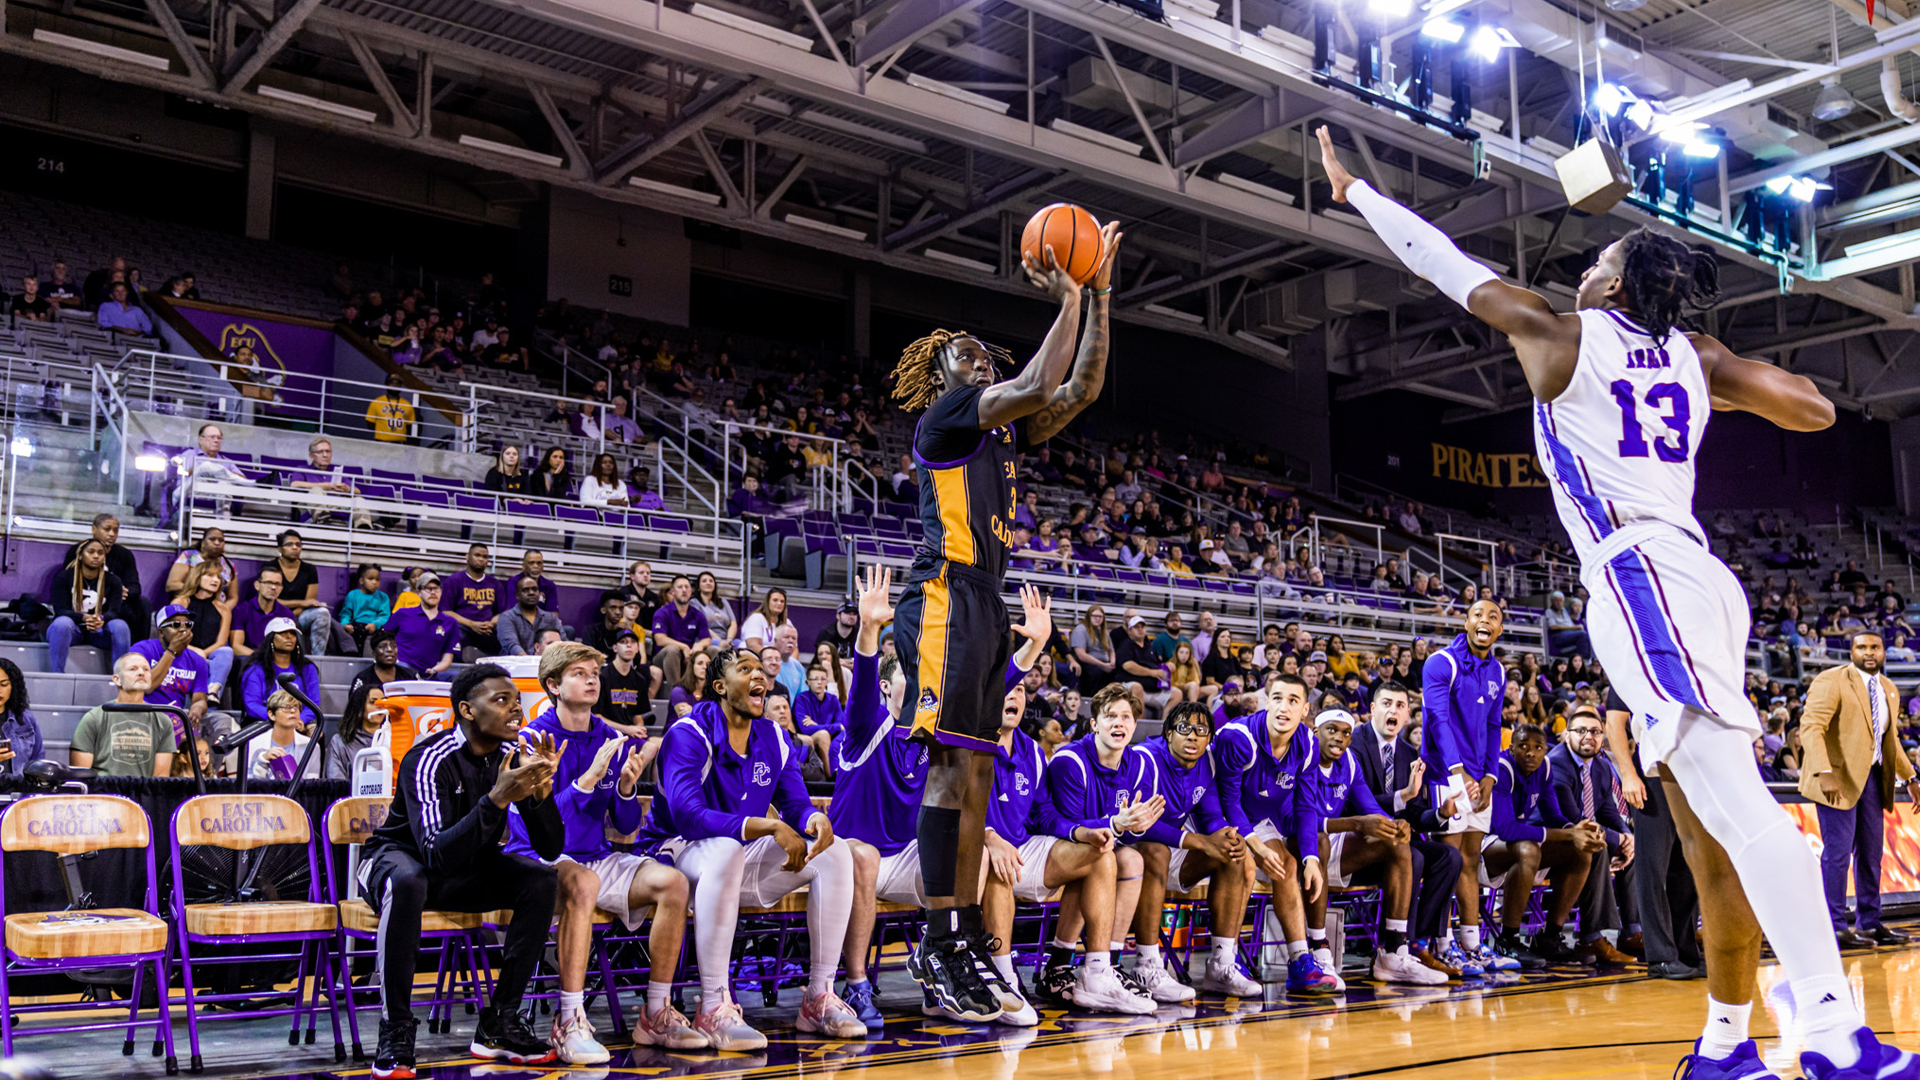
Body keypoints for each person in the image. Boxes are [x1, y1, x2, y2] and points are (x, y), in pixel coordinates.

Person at [1321, 123, 1904, 1077]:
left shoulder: (1562, 335)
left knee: (1746, 812)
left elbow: (1446, 266)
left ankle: (1834, 1026)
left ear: (1616, 289)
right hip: (1699, 580)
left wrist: (1356, 194)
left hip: (1641, 579)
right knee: (1706, 831)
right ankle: (1726, 1041)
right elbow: (1815, 408)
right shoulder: (1695, 359)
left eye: (1600, 262)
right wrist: (1706, 354)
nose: (1586, 269)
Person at [886, 223, 1122, 1021]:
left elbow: (1078, 386)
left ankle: (960, 943)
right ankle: (938, 938)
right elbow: (1033, 380)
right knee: (951, 770)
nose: (978, 359)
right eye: (966, 355)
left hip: (988, 597)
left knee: (980, 775)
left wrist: (1101, 295)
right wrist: (1068, 295)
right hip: (946, 594)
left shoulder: (1005, 433)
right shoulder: (947, 420)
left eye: (984, 354)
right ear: (943, 377)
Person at [633, 649, 865, 1047]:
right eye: (746, 670)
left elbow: (795, 802)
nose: (759, 676)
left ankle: (819, 996)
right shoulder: (687, 733)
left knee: (835, 851)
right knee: (726, 849)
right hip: (675, 853)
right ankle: (713, 1006)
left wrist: (813, 819)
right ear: (720, 687)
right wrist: (770, 825)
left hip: (735, 858)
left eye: (762, 670)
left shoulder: (774, 735)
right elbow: (689, 816)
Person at [360, 665, 565, 1078]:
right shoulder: (428, 757)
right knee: (408, 881)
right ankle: (396, 1029)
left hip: (460, 870)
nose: (516, 711)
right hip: (397, 859)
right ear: (467, 711)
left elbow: (550, 847)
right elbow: (433, 853)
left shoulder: (512, 757)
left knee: (541, 880)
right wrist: (496, 799)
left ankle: (500, 1023)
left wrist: (541, 793)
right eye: (502, 700)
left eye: (517, 702)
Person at [505, 643, 688, 1061]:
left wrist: (626, 789)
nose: (591, 679)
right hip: (538, 859)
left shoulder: (610, 737)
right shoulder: (532, 738)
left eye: (594, 673)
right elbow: (531, 827)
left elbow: (624, 826)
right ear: (553, 685)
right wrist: (585, 781)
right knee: (583, 882)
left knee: (673, 883)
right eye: (579, 673)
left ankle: (655, 1012)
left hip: (595, 855)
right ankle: (568, 1020)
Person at [1118, 701, 1269, 996]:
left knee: (1230, 851)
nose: (1192, 736)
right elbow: (1140, 825)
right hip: (1129, 850)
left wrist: (1225, 836)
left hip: (1176, 847)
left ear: (1209, 738)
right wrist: (1201, 841)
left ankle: (1221, 965)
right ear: (1168, 733)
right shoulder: (1144, 759)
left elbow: (1210, 814)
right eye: (1184, 728)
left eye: (1201, 730)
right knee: (1155, 850)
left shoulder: (1208, 763)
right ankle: (1147, 965)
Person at [1212, 671, 1341, 992]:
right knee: (1244, 859)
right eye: (1278, 699)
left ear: (1305, 710)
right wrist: (1256, 844)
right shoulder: (1237, 737)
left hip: (1254, 817)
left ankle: (1300, 962)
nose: (1284, 707)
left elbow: (1306, 806)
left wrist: (1312, 857)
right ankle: (1221, 961)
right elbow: (1227, 800)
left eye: (1293, 701)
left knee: (1290, 864)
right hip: (1211, 815)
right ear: (1267, 702)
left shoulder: (1309, 745)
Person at [1304, 708, 1449, 985]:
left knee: (1395, 840)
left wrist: (1394, 824)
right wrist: (1357, 824)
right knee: (1320, 841)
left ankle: (1393, 953)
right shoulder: (1304, 760)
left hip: (1333, 842)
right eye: (1331, 730)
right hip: (1300, 843)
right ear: (1315, 733)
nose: (1339, 738)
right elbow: (1298, 821)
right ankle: (1318, 950)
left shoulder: (1348, 761)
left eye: (1346, 733)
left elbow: (1369, 807)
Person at [1799, 630, 1920, 949]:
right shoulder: (1831, 680)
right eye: (1861, 647)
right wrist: (1823, 771)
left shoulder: (1889, 689)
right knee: (1837, 855)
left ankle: (1869, 922)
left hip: (1873, 779)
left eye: (1875, 647)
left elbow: (1890, 740)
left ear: (1883, 652)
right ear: (1851, 651)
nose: (1869, 652)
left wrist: (1911, 779)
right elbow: (1811, 728)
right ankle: (1834, 926)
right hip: (1836, 779)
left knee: (1870, 855)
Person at [1419, 600, 1517, 977]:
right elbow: (1438, 719)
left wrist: (1491, 776)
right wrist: (1459, 772)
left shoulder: (1497, 670)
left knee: (1472, 860)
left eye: (1493, 617)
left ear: (1500, 630)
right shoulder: (1442, 662)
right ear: (1465, 621)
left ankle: (1472, 945)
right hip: (1447, 775)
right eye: (1478, 614)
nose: (1485, 621)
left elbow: (1495, 727)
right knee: (1449, 860)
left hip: (1480, 777)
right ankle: (1441, 944)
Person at [1348, 680, 1461, 977]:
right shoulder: (1355, 744)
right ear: (1372, 708)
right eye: (1386, 703)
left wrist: (1439, 813)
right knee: (1414, 856)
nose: (1393, 710)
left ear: (1408, 714)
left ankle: (1419, 944)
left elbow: (1412, 815)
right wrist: (1404, 795)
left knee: (1449, 857)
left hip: (1394, 843)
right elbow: (1357, 803)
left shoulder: (1409, 754)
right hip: (1354, 840)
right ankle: (1393, 949)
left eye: (1399, 705)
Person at [1603, 686, 1705, 980]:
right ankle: (1660, 956)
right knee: (1652, 869)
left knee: (1685, 870)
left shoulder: (1686, 664)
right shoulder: (1630, 664)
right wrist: (1628, 774)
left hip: (1690, 774)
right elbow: (1614, 723)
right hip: (1651, 775)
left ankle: (1684, 951)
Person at [1547, 706, 1639, 966]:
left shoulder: (1601, 766)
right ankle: (1591, 937)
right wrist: (1616, 839)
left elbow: (1607, 810)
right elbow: (1575, 819)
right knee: (1596, 847)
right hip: (1554, 838)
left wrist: (1625, 835)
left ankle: (1633, 932)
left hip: (1585, 837)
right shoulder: (1557, 764)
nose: (1589, 736)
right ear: (1567, 735)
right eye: (1581, 731)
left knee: (1633, 849)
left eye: (1596, 731)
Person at [129, 604, 232, 748]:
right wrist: (171, 653)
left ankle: (207, 770)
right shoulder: (142, 649)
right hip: (146, 713)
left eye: (188, 624)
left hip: (178, 716)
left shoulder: (197, 661)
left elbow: (200, 699)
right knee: (171, 722)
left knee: (222, 720)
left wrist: (197, 708)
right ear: (161, 632)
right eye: (176, 624)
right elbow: (146, 687)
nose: (183, 629)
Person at [47, 537, 130, 673]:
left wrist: (100, 619)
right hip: (73, 631)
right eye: (90, 552)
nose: (96, 556)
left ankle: (121, 678)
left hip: (99, 632)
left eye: (100, 553)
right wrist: (84, 618)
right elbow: (61, 610)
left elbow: (114, 611)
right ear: (80, 556)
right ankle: (57, 675)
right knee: (62, 623)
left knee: (120, 626)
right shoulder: (64, 577)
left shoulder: (113, 580)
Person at [61, 514, 147, 640]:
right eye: (107, 529)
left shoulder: (125, 555)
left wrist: (122, 591)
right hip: (85, 599)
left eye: (115, 530)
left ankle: (137, 649)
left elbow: (134, 585)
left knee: (143, 603)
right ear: (94, 529)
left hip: (113, 603)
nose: (112, 534)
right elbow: (67, 581)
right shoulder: (78, 551)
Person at [270, 530, 348, 657]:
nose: (295, 548)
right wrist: (301, 603)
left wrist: (295, 612)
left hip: (300, 615)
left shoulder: (309, 569)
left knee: (322, 612)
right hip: (277, 614)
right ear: (280, 549)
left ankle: (318, 658)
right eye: (289, 544)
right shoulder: (271, 567)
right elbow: (272, 600)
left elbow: (310, 602)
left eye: (298, 545)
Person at [240, 617, 322, 731]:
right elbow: (252, 704)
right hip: (266, 720)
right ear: (271, 640)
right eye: (282, 633)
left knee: (315, 731)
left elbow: (313, 702)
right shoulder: (256, 669)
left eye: (292, 633)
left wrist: (299, 719)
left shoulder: (307, 668)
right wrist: (281, 718)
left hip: (298, 719)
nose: (289, 637)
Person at [386, 573, 460, 677]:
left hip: (429, 673)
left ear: (441, 592)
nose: (433, 592)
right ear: (418, 592)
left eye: (436, 588)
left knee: (458, 677)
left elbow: (447, 657)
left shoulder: (450, 622)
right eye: (428, 589)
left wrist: (435, 669)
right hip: (401, 670)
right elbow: (383, 639)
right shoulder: (402, 614)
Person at [650, 574, 711, 689]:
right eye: (680, 587)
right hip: (663, 657)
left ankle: (709, 692)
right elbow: (660, 639)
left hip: (689, 656)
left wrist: (700, 645)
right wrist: (683, 647)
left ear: (691, 591)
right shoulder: (662, 612)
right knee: (672, 650)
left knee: (713, 650)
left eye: (686, 587)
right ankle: (676, 692)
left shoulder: (697, 614)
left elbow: (707, 638)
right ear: (673, 592)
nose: (684, 590)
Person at [445, 544, 506, 658]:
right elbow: (446, 611)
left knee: (506, 636)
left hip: (488, 629)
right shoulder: (454, 580)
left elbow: (502, 613)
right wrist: (472, 624)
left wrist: (491, 623)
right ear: (467, 557)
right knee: (456, 633)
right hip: (463, 627)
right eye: (477, 555)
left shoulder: (495, 584)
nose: (481, 559)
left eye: (485, 556)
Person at [250, 690, 320, 780]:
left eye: (296, 707)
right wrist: (262, 762)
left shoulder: (312, 746)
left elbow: (312, 785)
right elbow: (250, 785)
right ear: (271, 715)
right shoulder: (254, 743)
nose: (293, 710)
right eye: (286, 707)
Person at [596, 630, 652, 738]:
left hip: (629, 736)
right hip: (606, 735)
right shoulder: (602, 677)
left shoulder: (640, 680)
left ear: (637, 649)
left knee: (654, 747)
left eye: (633, 642)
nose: (629, 645)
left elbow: (638, 717)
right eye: (623, 642)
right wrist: (627, 729)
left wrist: (639, 728)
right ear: (615, 648)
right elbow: (597, 716)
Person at [0, 659, 44, 776]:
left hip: (18, 791)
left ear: (13, 687)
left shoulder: (26, 719)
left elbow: (38, 763)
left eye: (4, 684)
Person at [498, 577, 563, 656]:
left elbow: (564, 642)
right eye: (526, 590)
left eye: (535, 589)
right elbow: (511, 645)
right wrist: (529, 662)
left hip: (544, 664)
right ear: (517, 595)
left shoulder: (551, 618)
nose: (531, 593)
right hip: (514, 664)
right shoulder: (506, 617)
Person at [341, 564, 394, 654]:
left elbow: (384, 616)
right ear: (361, 580)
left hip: (375, 628)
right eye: (370, 579)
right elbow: (346, 613)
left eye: (377, 580)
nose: (374, 582)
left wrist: (375, 624)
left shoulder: (383, 597)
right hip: (356, 626)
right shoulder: (353, 595)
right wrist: (345, 624)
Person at [505, 551, 561, 615]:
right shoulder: (514, 582)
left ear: (543, 567)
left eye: (539, 563)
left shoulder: (549, 585)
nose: (536, 566)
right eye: (531, 563)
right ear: (523, 566)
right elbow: (513, 610)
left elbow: (553, 614)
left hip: (542, 623)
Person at [691, 572, 737, 647]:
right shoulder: (694, 603)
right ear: (698, 586)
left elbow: (733, 624)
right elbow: (701, 626)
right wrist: (720, 641)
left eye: (711, 581)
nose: (708, 583)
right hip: (706, 639)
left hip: (726, 639)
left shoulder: (723, 602)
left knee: (742, 644)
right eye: (704, 581)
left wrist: (729, 639)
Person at [367, 375, 416, 443]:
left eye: (397, 384)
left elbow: (409, 427)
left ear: (400, 386)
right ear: (386, 384)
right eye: (392, 383)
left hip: (399, 444)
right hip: (381, 442)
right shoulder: (376, 402)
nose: (394, 386)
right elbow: (370, 425)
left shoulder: (407, 405)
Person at [740, 587, 791, 653]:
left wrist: (790, 662)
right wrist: (772, 658)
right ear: (767, 602)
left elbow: (794, 648)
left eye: (782, 601)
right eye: (775, 600)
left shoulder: (787, 622)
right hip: (755, 659)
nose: (779, 603)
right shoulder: (756, 618)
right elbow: (753, 645)